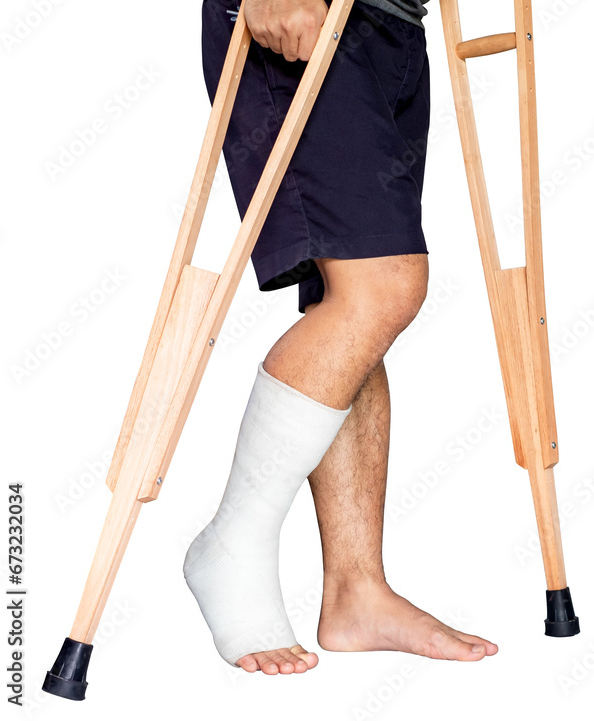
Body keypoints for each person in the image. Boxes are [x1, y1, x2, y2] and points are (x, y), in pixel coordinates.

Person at [183, 0, 498, 675]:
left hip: (391, 22)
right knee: (383, 286)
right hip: (304, 12)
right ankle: (232, 542)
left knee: (354, 305)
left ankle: (357, 593)